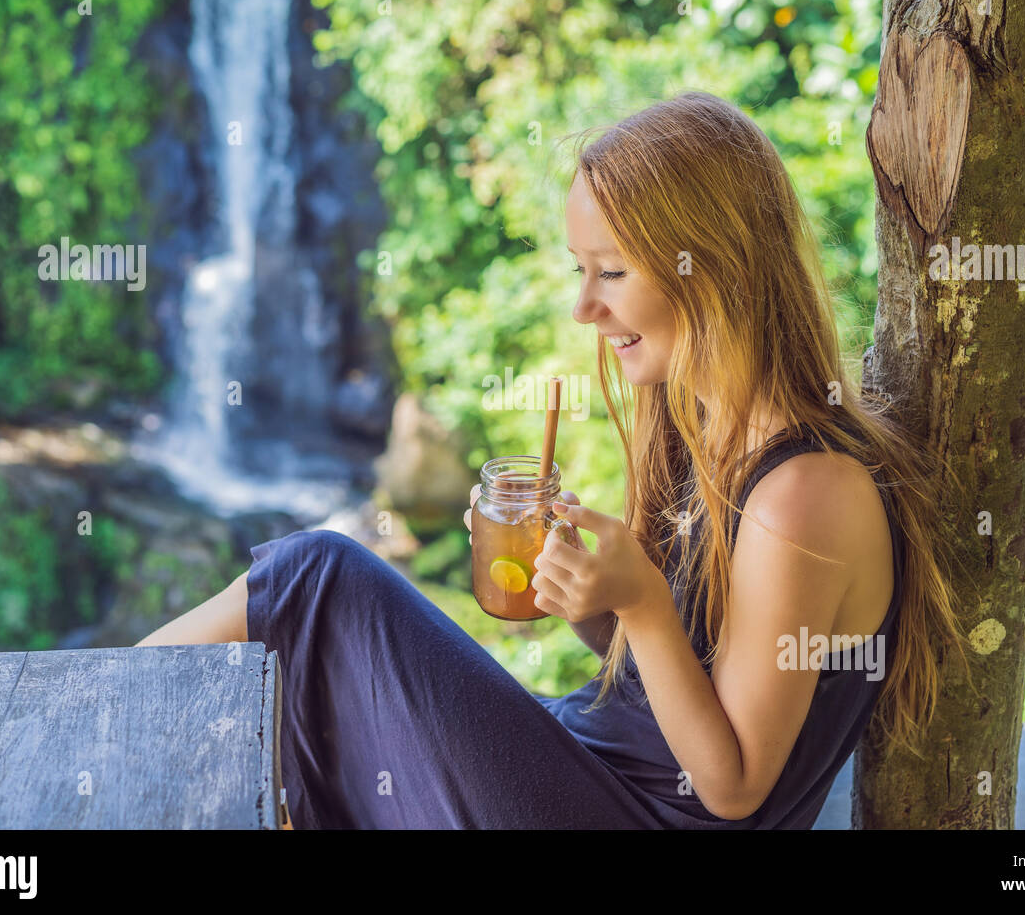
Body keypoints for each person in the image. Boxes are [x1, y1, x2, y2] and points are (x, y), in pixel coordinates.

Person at [137, 90, 973, 829]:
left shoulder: (804, 494)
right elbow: (668, 686)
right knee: (320, 690)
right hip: (591, 773)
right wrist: (587, 600)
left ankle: (75, 715)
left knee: (316, 575)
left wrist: (641, 601)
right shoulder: (699, 426)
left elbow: (734, 786)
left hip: (632, 810)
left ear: (713, 267)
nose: (584, 307)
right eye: (581, 271)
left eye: (611, 270)